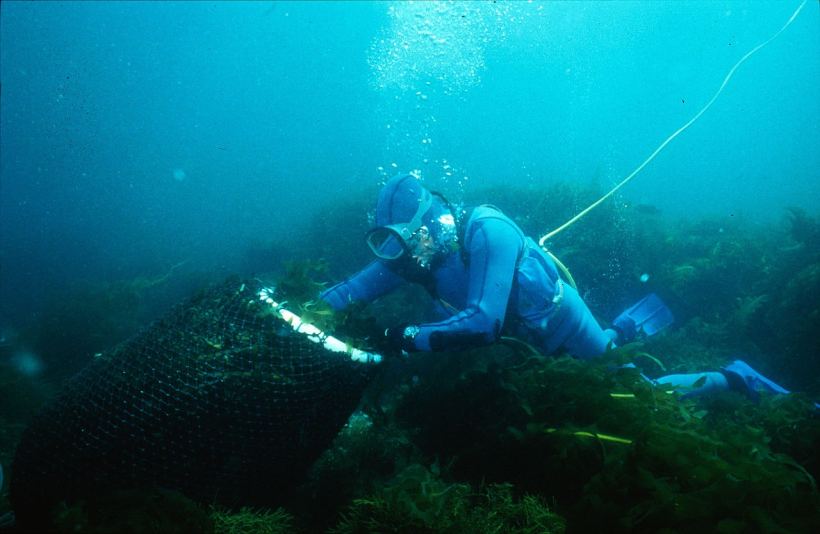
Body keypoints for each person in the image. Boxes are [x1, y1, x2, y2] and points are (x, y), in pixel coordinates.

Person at [321, 173, 797, 402]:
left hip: (559, 322)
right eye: (389, 246)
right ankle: (627, 326)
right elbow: (347, 293)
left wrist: (403, 337)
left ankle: (734, 377)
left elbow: (484, 324)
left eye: (409, 241)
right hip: (526, 343)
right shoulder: (410, 259)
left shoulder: (486, 231)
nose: (402, 256)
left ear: (432, 222)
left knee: (643, 396)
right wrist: (295, 314)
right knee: (602, 363)